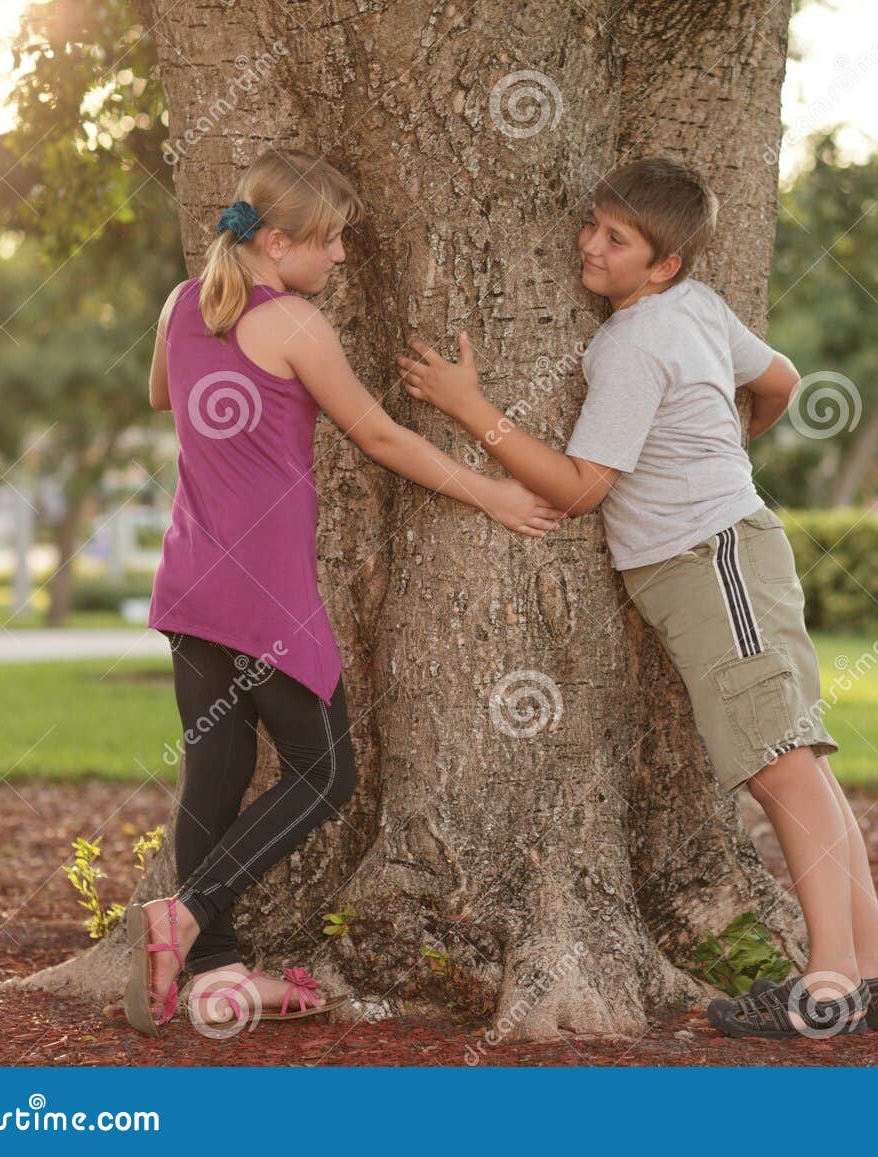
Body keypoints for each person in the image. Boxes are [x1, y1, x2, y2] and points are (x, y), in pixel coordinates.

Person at [398, 156, 878, 1039]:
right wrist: (715, 453)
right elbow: (781, 381)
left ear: (664, 262)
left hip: (712, 562)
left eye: (616, 238)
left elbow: (580, 488)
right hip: (732, 552)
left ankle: (828, 981)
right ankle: (877, 970)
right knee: (801, 761)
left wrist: (470, 406)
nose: (589, 246)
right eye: (593, 224)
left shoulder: (632, 345)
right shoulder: (698, 309)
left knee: (782, 765)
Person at [127, 147, 563, 1038]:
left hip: (190, 575)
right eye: (330, 243)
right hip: (263, 589)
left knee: (218, 767)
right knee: (326, 773)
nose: (340, 259)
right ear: (277, 241)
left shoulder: (181, 306)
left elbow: (164, 394)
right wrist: (493, 491)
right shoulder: (294, 326)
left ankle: (213, 972)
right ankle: (188, 911)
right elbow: (384, 439)